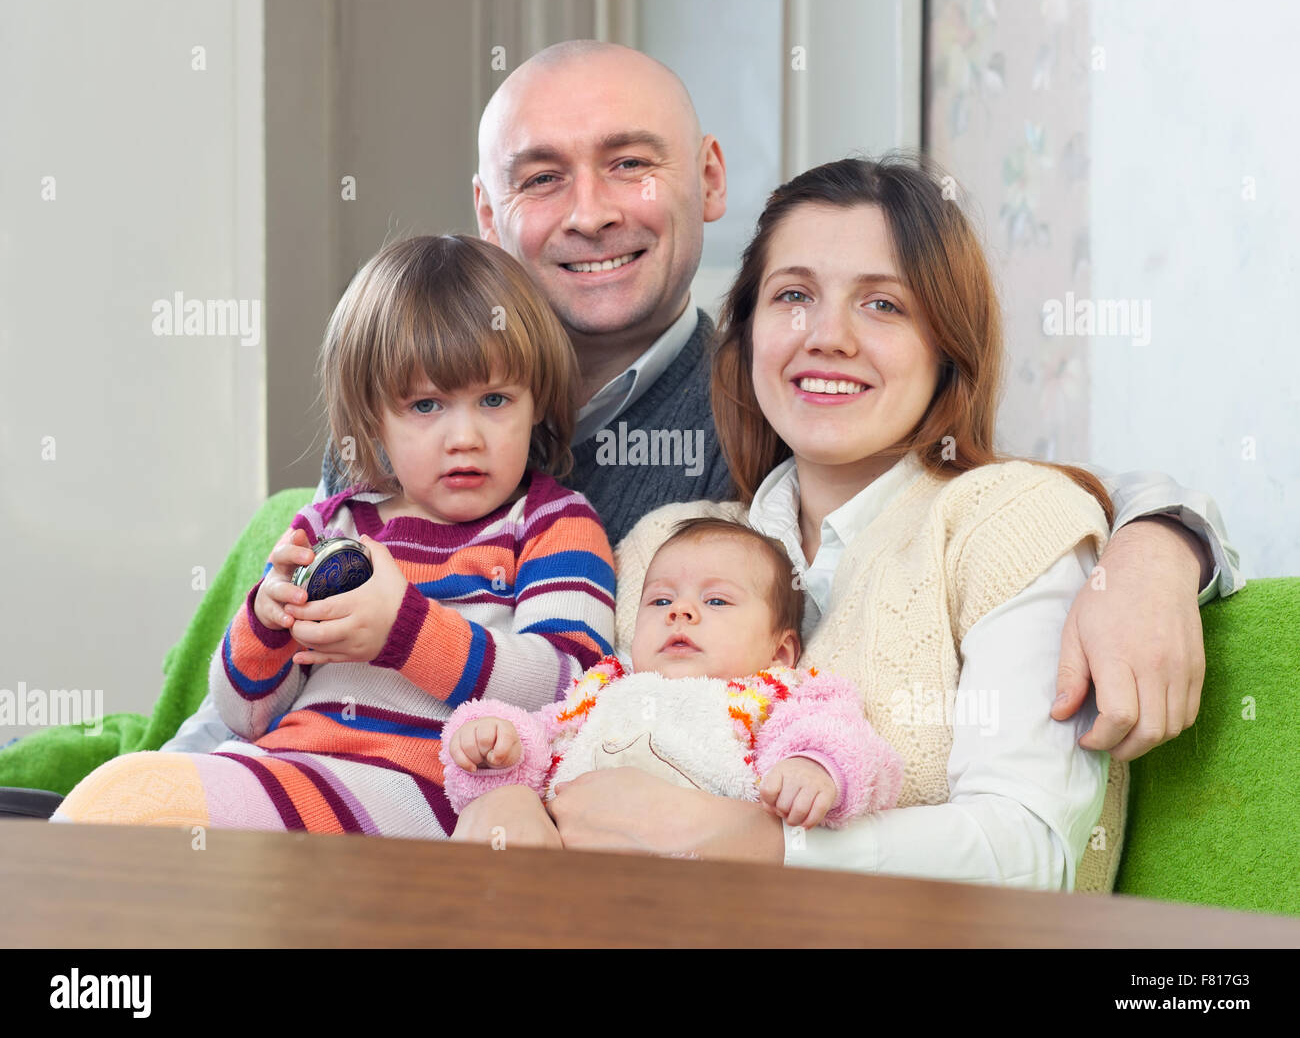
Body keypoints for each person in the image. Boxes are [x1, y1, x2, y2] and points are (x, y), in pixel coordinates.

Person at [174, 39, 1237, 775]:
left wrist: (1153, 546)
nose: (591, 212)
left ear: (710, 178)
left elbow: (1002, 482)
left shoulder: (779, 389)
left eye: (630, 164)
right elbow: (271, 684)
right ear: (488, 213)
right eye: (542, 178)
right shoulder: (404, 402)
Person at [456, 157, 1128, 891]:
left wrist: (765, 845)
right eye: (794, 295)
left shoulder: (1005, 519)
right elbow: (579, 734)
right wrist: (512, 799)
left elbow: (1033, 853)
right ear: (745, 334)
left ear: (947, 347)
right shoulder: (665, 541)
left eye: (884, 305)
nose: (827, 336)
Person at [50, 235, 615, 836]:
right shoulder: (332, 525)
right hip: (288, 767)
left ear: (536, 405)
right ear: (374, 418)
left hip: (419, 789)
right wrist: (264, 628)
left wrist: (407, 630)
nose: (464, 437)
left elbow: (574, 692)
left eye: (495, 399)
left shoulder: (552, 523)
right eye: (426, 406)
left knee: (131, 803)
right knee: (127, 801)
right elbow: (244, 716)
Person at [439, 517, 905, 834]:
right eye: (661, 601)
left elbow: (852, 745)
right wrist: (494, 743)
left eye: (716, 601)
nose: (680, 611)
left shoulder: (776, 694)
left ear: (780, 651)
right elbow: (539, 743)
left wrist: (816, 767)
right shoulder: (603, 689)